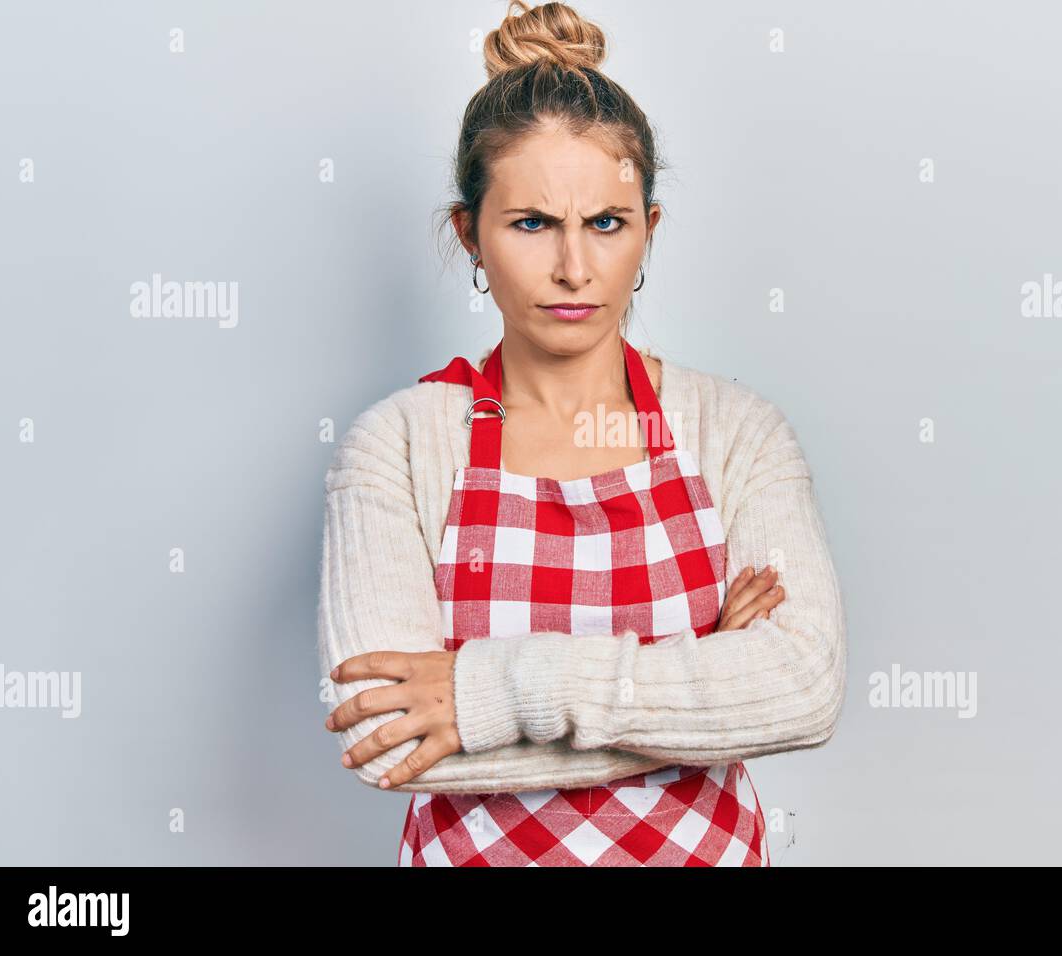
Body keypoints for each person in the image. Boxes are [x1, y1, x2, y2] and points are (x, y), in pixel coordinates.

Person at [318, 0, 846, 867]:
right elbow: (385, 733)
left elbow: (803, 690)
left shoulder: (736, 433)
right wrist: (702, 680)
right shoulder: (399, 445)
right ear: (470, 237)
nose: (574, 267)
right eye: (531, 223)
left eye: (607, 222)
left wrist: (484, 693)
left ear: (649, 231)